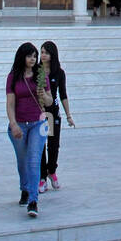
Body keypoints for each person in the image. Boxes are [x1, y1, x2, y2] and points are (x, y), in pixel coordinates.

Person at [6, 43, 52, 218]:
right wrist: (13, 123)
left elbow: (48, 102)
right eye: (29, 56)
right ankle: (24, 188)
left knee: (34, 160)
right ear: (22, 57)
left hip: (38, 123)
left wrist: (43, 94)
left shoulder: (41, 75)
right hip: (19, 122)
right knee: (22, 161)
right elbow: (10, 103)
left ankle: (33, 200)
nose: (33, 59)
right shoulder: (13, 77)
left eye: (35, 56)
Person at [38, 40, 75, 193]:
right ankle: (41, 177)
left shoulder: (58, 73)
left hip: (52, 113)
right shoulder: (36, 71)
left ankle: (51, 171)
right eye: (42, 52)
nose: (43, 55)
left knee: (53, 144)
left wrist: (68, 115)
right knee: (41, 144)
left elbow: (63, 94)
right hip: (40, 113)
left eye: (46, 52)